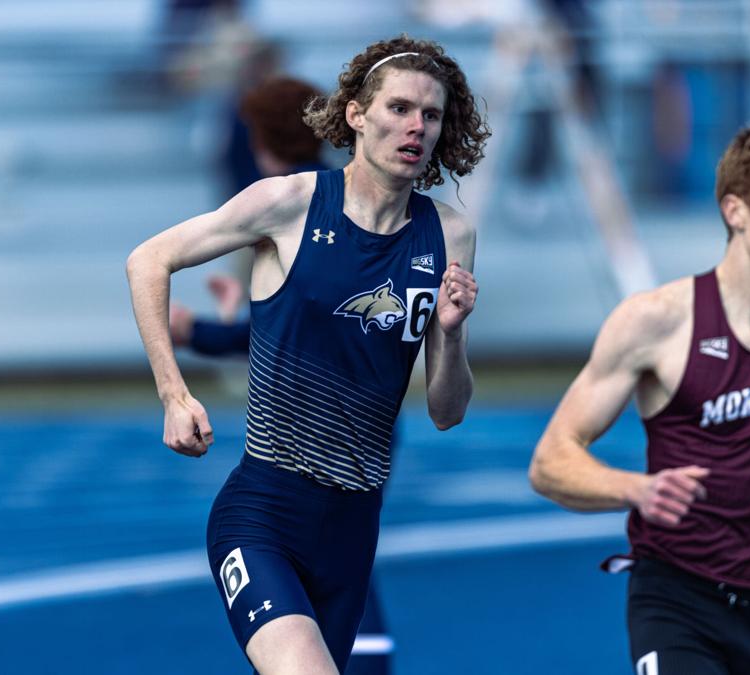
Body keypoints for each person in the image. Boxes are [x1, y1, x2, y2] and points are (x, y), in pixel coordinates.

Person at [126, 35, 488, 674]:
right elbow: (148, 259)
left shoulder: (449, 233)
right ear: (356, 114)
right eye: (399, 108)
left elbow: (446, 411)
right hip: (263, 514)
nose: (415, 127)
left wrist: (452, 332)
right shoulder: (289, 203)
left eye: (430, 115)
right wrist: (174, 393)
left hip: (352, 531)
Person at [529, 119, 750, 674]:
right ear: (735, 211)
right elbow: (551, 459)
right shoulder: (657, 321)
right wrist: (637, 489)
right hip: (675, 597)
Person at [168, 75, 396, 675]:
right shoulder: (364, 202)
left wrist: (200, 336)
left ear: (262, 143)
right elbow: (310, 326)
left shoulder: (288, 203)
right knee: (333, 565)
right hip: (365, 428)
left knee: (325, 557)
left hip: (322, 440)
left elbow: (309, 323)